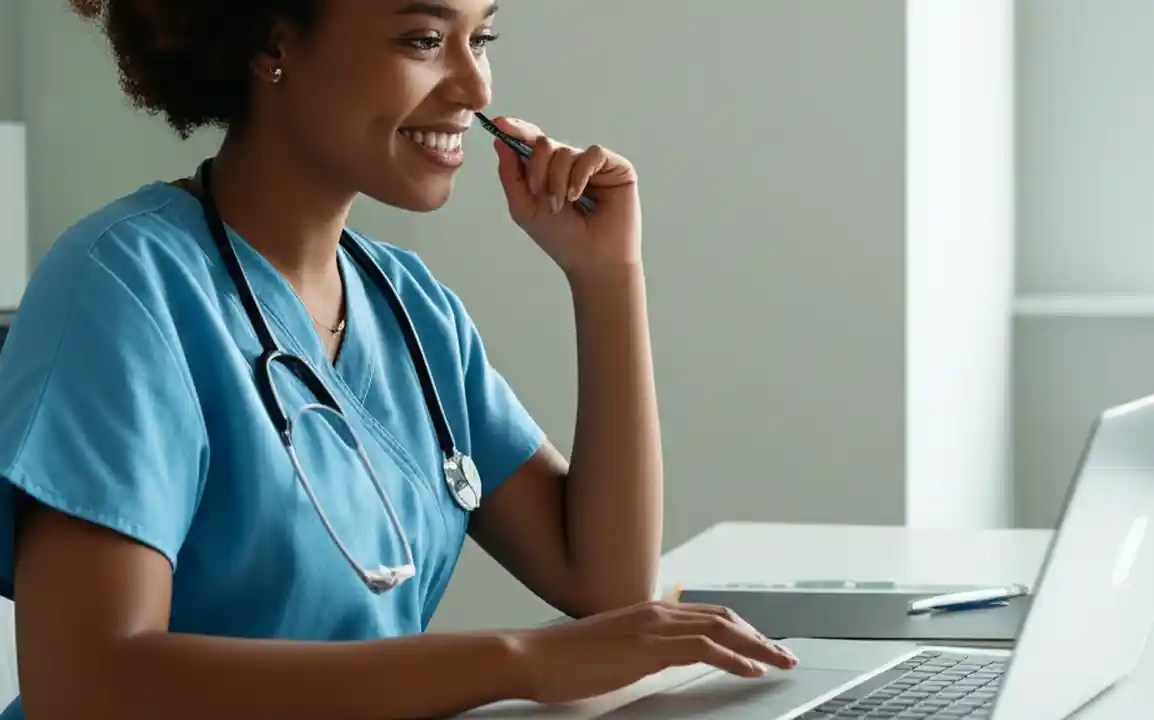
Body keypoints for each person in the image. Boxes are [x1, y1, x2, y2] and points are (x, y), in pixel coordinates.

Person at [0, 1, 798, 717]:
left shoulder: (409, 306)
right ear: (271, 42)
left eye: (479, 37)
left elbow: (606, 588)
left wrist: (608, 276)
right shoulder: (123, 287)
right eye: (423, 39)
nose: (474, 87)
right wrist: (515, 660)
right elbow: (88, 685)